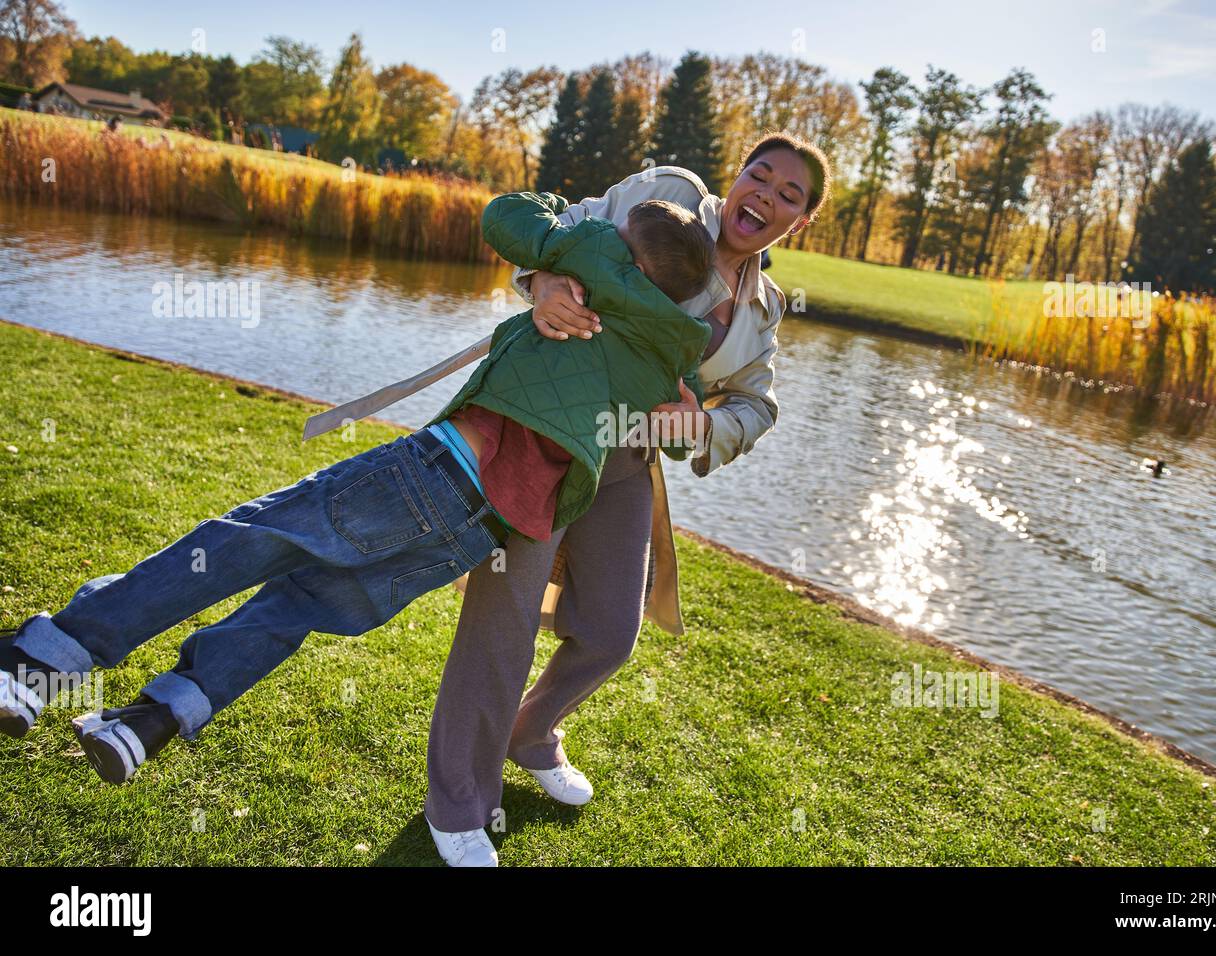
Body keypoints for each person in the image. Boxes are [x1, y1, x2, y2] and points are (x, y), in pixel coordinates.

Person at [0, 195, 715, 799]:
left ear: (630, 253)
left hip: (435, 472)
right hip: (480, 532)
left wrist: (558, 249)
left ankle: (46, 657)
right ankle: (149, 723)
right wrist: (688, 411)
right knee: (301, 603)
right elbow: (677, 437)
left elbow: (506, 216)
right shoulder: (670, 350)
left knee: (248, 539)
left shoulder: (592, 255)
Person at [423, 131, 831, 866]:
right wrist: (541, 281)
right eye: (759, 175)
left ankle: (530, 733)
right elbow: (558, 230)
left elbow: (758, 406)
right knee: (505, 617)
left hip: (629, 460)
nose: (766, 196)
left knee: (613, 627)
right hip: (552, 429)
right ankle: (459, 801)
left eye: (789, 195)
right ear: (735, 177)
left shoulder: (764, 310)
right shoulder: (670, 194)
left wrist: (702, 421)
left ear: (798, 223)